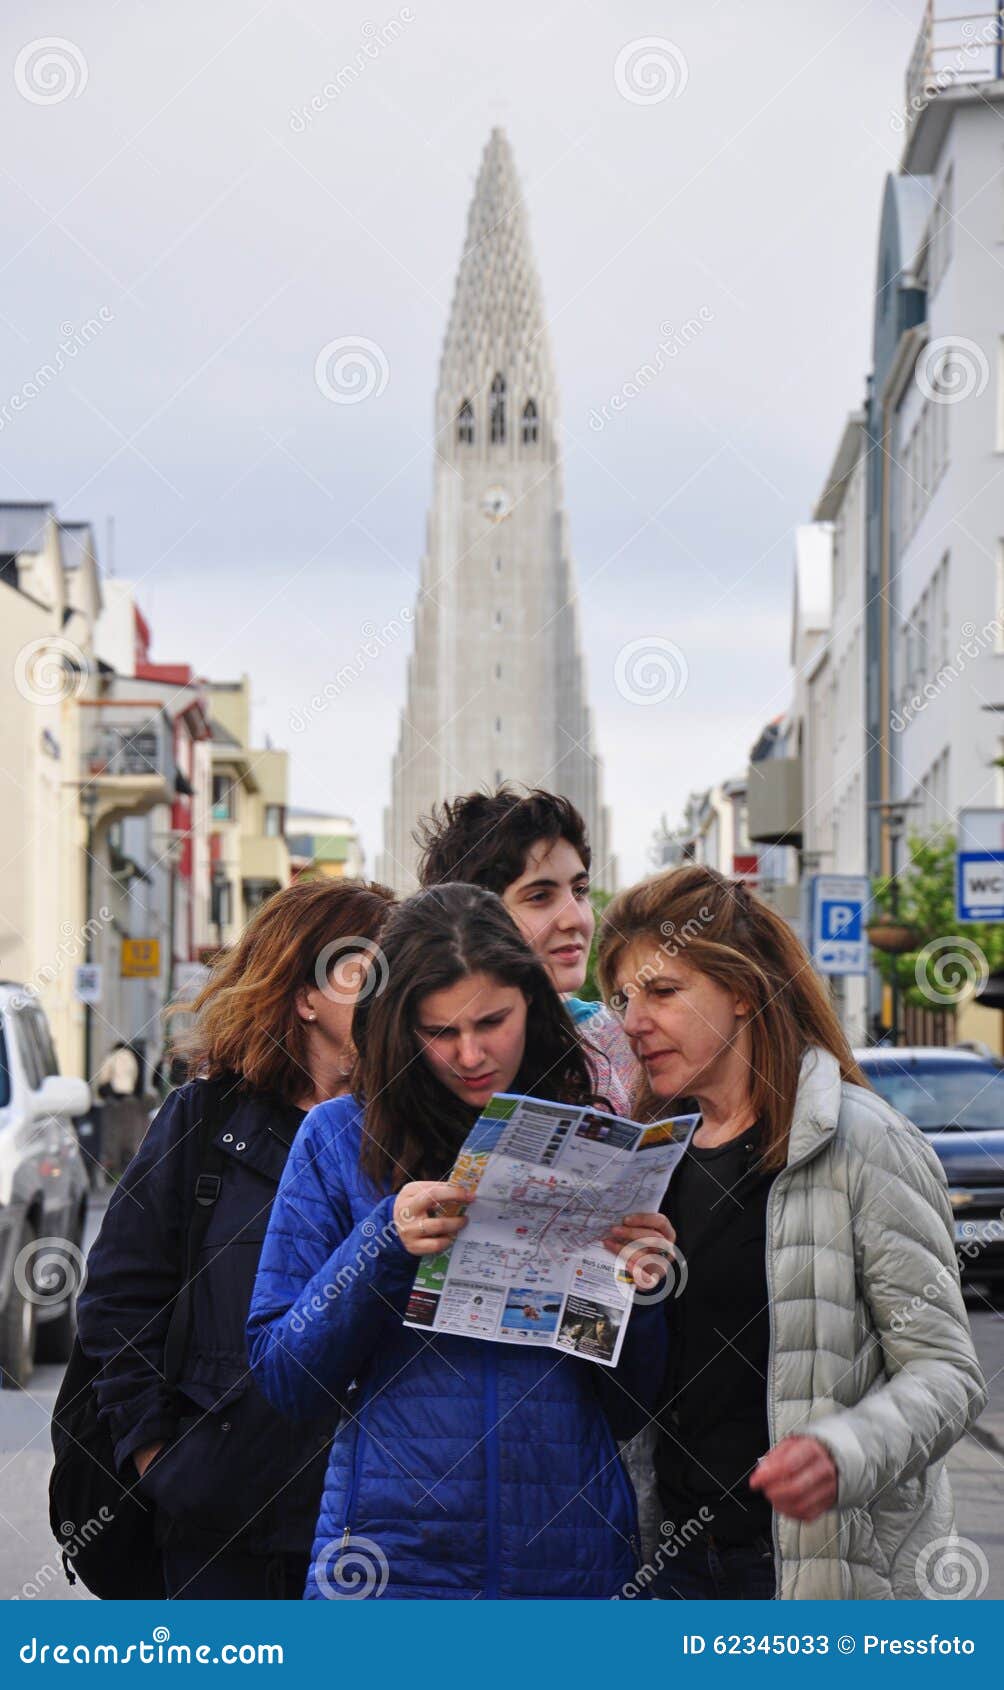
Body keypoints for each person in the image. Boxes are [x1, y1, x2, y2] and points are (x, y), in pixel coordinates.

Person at [247, 883, 672, 1600]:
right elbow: (285, 1378)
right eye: (438, 1032)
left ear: (533, 1008)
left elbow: (633, 1404)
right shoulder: (337, 1138)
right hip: (394, 1570)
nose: (470, 1054)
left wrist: (645, 1288)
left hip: (568, 1564)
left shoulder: (593, 1139)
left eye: (493, 1022)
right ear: (395, 1027)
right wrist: (381, 1243)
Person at [596, 864, 987, 1601]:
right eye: (622, 999)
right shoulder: (647, 1153)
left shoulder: (863, 1142)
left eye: (663, 992)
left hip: (813, 1572)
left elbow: (949, 1375)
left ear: (742, 990)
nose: (633, 1021)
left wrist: (844, 1451)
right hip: (670, 1563)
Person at [75, 878, 395, 1599]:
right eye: (368, 969)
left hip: (379, 1527)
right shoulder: (204, 1122)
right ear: (304, 995)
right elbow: (119, 1299)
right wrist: (160, 1459)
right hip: (228, 1533)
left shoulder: (413, 1129)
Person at [416, 785, 639, 1114]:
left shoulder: (624, 1040)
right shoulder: (424, 1059)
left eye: (579, 891)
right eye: (539, 897)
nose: (575, 919)